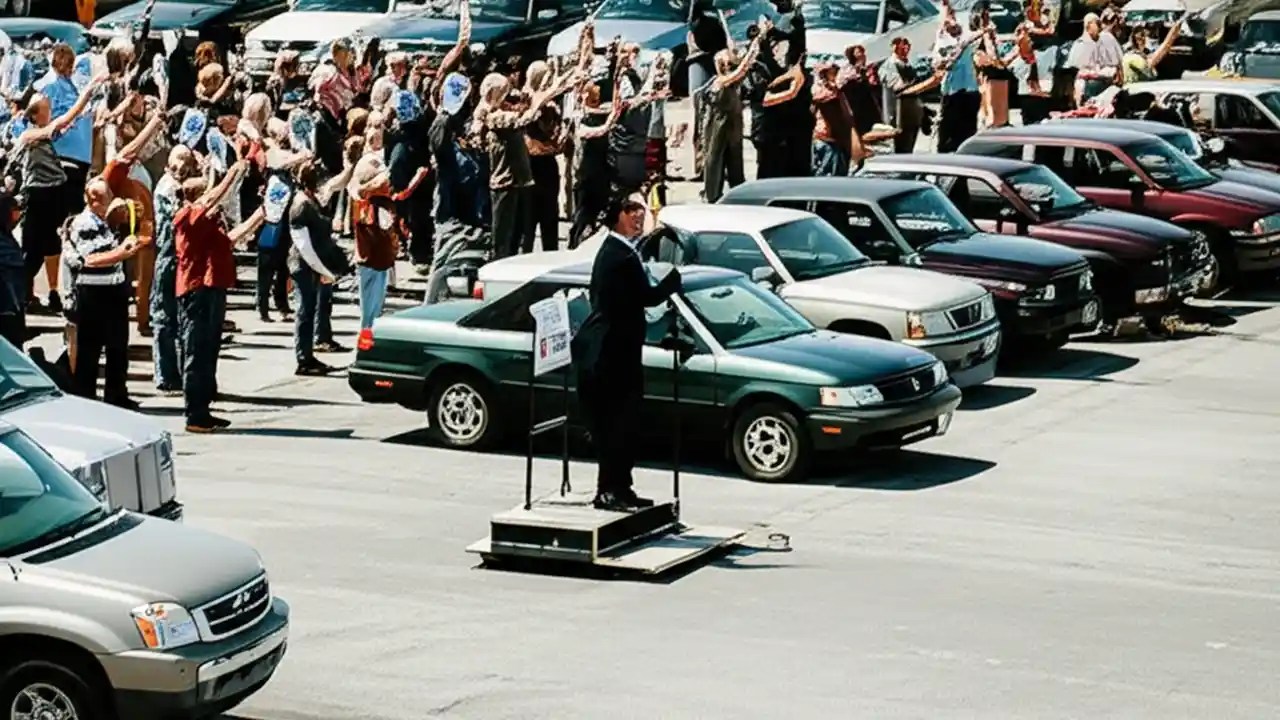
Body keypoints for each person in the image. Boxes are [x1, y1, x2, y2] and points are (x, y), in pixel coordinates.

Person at [571, 196, 681, 512]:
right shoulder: (616, 255)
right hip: (609, 356)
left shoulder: (627, 252)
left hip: (625, 353)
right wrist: (671, 283)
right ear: (617, 217)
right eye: (631, 213)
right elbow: (644, 296)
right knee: (613, 426)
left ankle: (623, 486)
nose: (637, 218)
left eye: (640, 213)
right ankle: (608, 490)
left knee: (628, 425)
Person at [174, 160, 262, 433]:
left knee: (209, 350)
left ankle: (204, 408)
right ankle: (195, 414)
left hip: (212, 289)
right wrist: (232, 175)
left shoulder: (209, 223)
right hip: (196, 290)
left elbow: (231, 239)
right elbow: (213, 197)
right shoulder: (187, 216)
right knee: (196, 352)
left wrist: (261, 214)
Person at [16, 70, 102, 315]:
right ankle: (17, 296)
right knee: (31, 251)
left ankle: (45, 294)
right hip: (36, 196)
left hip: (53, 195)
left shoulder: (46, 132)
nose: (50, 111)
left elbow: (68, 122)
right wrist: (87, 91)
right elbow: (61, 122)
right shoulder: (29, 135)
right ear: (34, 114)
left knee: (52, 244)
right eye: (45, 108)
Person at [64, 179, 143, 408]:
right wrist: (121, 253)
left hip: (113, 290)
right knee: (90, 349)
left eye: (106, 195)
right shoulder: (84, 223)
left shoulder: (103, 221)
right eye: (100, 197)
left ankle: (116, 395)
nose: (105, 201)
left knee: (118, 346)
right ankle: (86, 398)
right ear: (90, 199)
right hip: (93, 293)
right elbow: (90, 259)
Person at [150, 143, 197, 395]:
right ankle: (166, 375)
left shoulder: (182, 184)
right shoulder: (168, 186)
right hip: (168, 255)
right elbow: (179, 216)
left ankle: (177, 372)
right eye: (179, 160)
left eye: (187, 161)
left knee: (178, 316)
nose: (183, 166)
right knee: (164, 316)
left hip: (180, 257)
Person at [703, 38, 757, 200]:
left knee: (735, 160)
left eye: (728, 64)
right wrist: (753, 48)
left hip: (733, 124)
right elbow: (741, 70)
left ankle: (738, 192)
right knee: (714, 160)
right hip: (718, 125)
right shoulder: (719, 81)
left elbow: (742, 69)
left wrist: (749, 52)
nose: (726, 67)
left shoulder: (734, 83)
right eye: (723, 64)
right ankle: (712, 195)